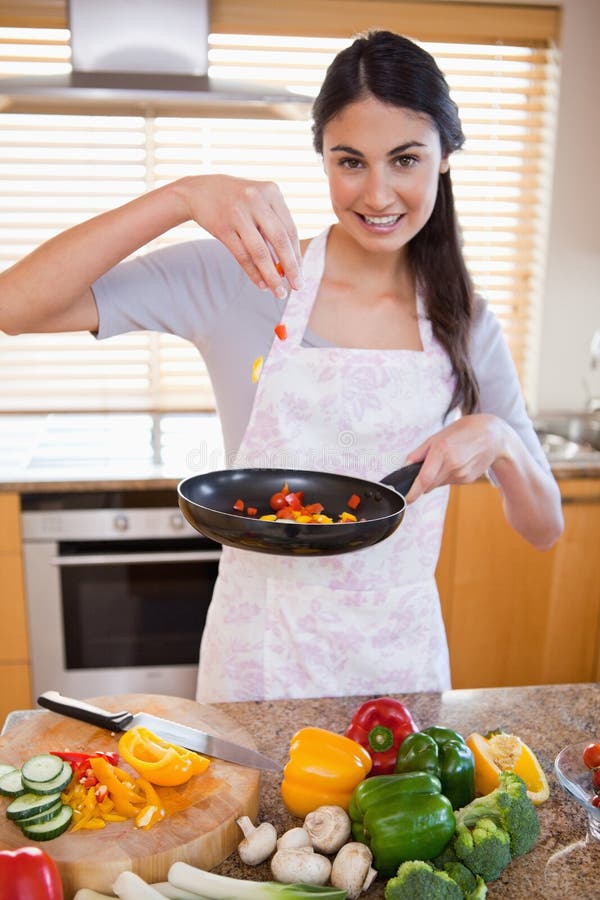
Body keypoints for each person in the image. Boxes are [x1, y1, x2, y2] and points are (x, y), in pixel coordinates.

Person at [0, 30, 563, 702]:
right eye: (350, 161)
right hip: (257, 667)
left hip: (398, 671)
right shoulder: (248, 275)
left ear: (445, 158)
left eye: (405, 160)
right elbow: (15, 306)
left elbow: (544, 527)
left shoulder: (464, 320)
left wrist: (500, 440)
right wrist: (181, 196)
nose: (378, 194)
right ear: (323, 158)